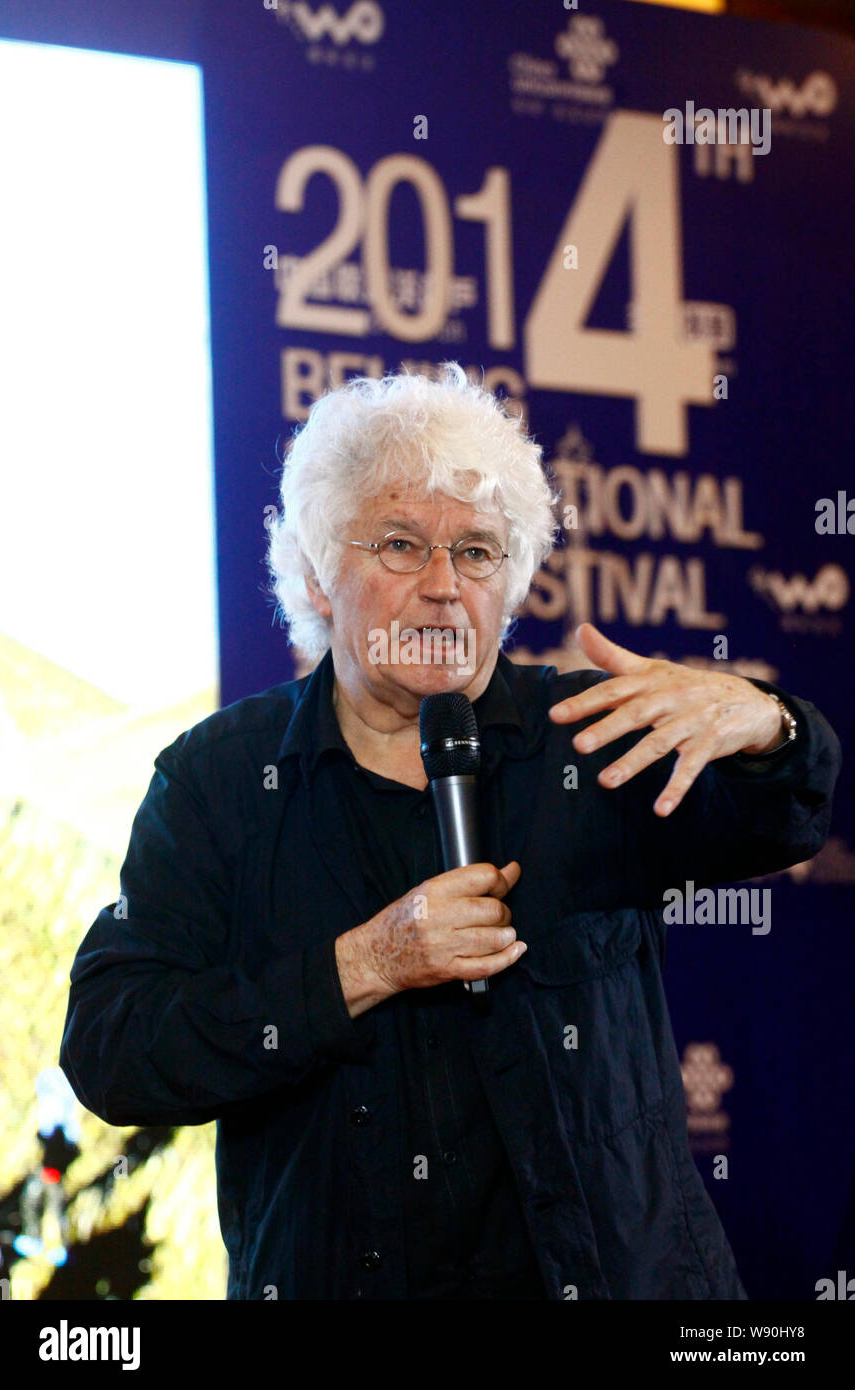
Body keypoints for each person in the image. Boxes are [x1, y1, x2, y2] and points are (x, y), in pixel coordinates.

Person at [59, 363, 841, 1300]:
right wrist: (366, 964)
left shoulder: (587, 735)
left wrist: (770, 725)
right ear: (316, 573)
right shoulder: (218, 780)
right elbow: (111, 1047)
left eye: (476, 553)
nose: (443, 587)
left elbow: (781, 815)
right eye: (400, 545)